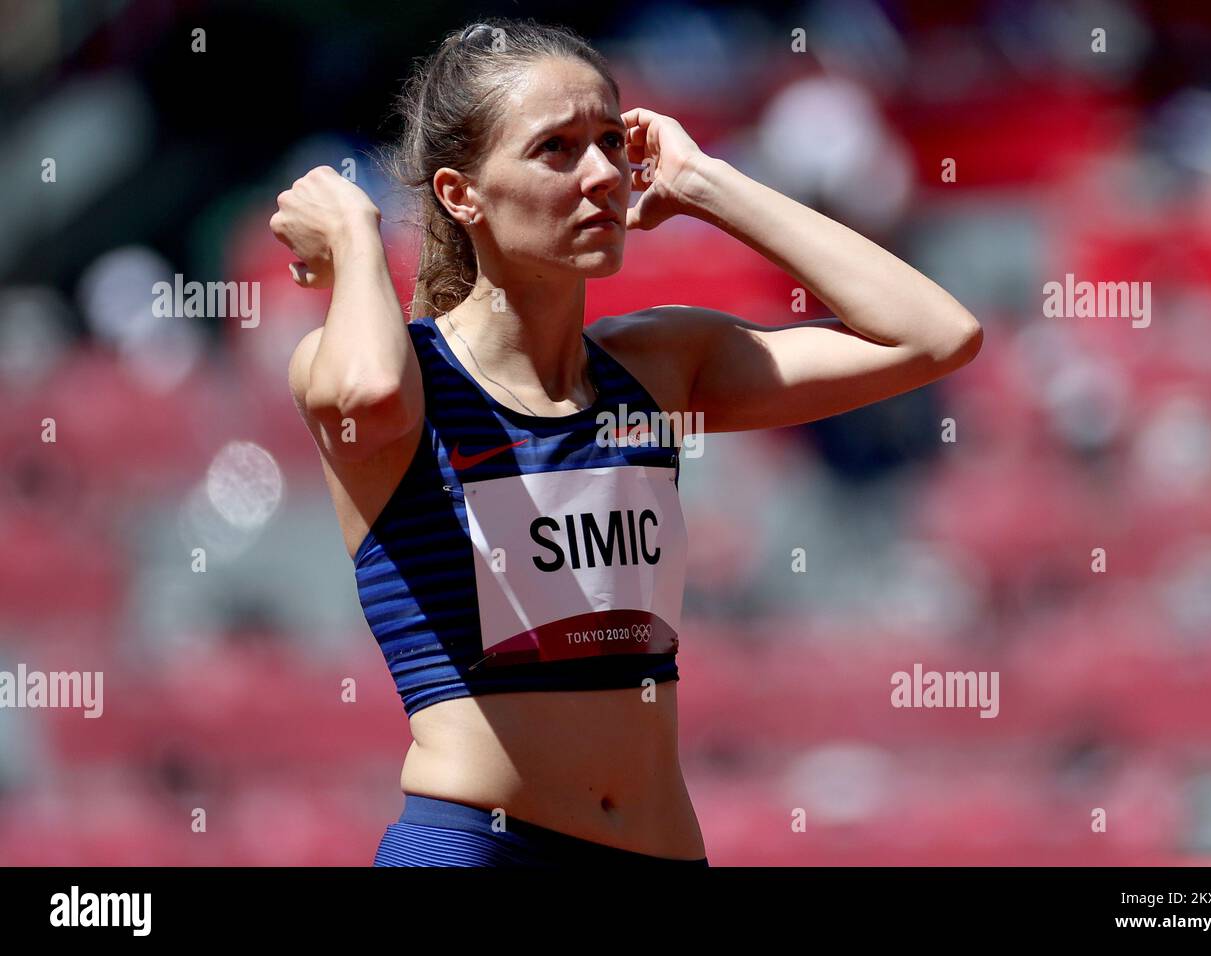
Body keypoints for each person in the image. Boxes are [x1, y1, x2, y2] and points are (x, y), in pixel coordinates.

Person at [269, 17, 982, 866]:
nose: (603, 173)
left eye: (612, 140)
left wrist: (708, 183)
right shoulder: (400, 376)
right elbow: (367, 394)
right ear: (461, 195)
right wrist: (356, 234)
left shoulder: (658, 366)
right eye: (557, 150)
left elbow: (935, 336)